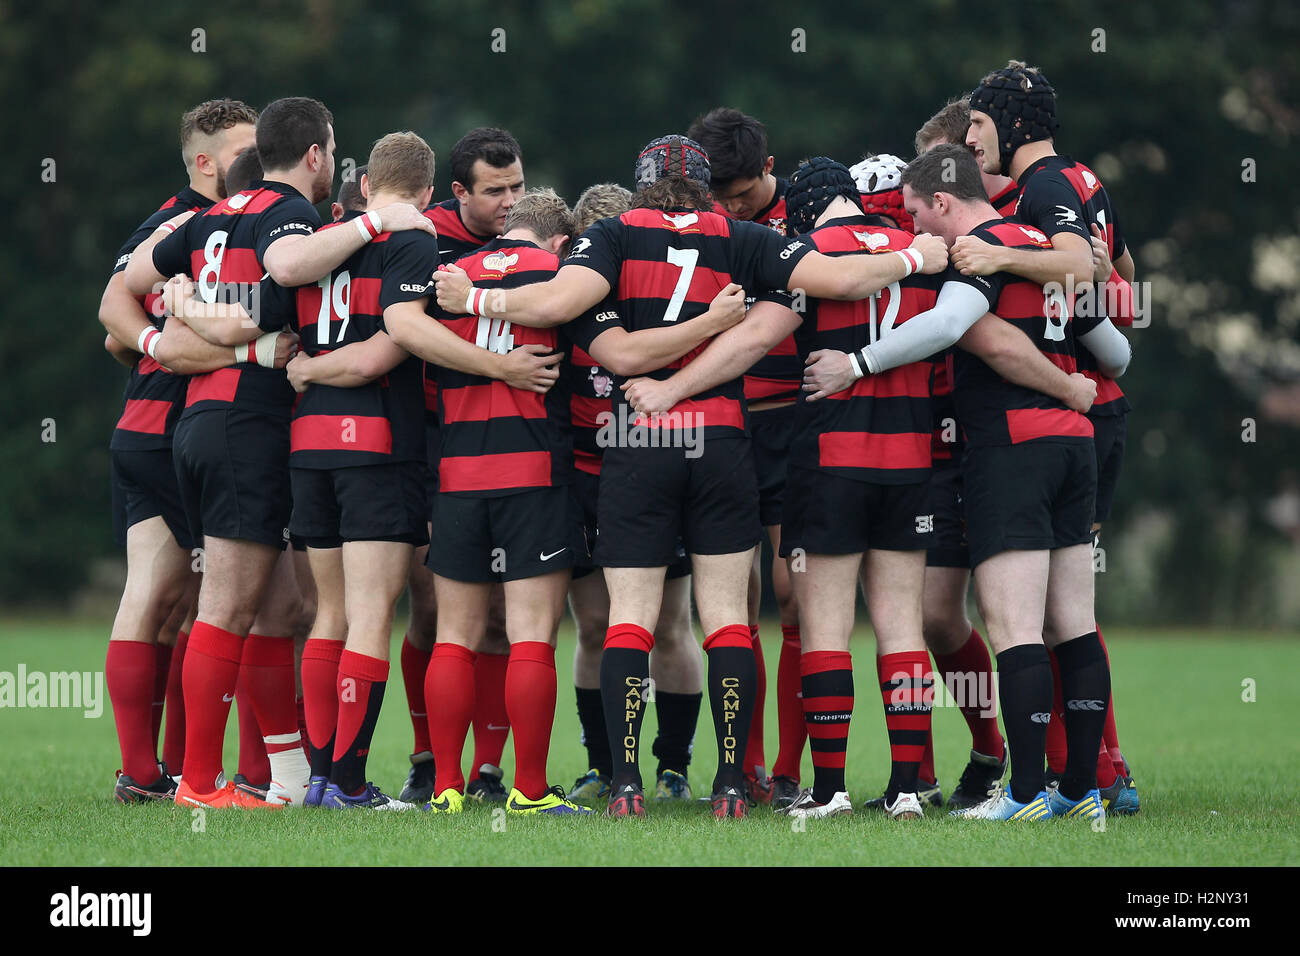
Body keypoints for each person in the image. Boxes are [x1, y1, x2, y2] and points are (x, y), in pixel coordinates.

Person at [431, 133, 948, 818]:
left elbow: (557, 309)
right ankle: (732, 781)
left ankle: (624, 783)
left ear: (641, 183)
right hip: (722, 443)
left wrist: (476, 301)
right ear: (706, 188)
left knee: (630, 622)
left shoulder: (614, 234)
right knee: (728, 621)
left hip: (639, 441)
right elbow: (840, 279)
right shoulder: (741, 236)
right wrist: (916, 255)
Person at [125, 96, 435, 809]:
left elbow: (134, 281)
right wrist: (373, 222)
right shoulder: (290, 213)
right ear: (319, 154)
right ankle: (203, 783)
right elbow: (279, 287)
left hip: (205, 421)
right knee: (234, 610)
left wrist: (180, 303)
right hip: (252, 425)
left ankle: (289, 775)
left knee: (282, 610)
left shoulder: (209, 214)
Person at [808, 144, 1129, 821]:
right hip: (1077, 446)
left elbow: (950, 325)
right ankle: (1078, 791)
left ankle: (1021, 793)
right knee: (1074, 625)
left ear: (943, 203)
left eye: (919, 216)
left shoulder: (976, 250)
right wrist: (1065, 371)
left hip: (1013, 448)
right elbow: (1118, 352)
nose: (918, 231)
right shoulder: (1042, 245)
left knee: (1013, 628)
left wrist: (858, 361)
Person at [964, 61, 1140, 812]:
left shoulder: (1041, 187)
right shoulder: (1089, 180)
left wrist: (998, 255)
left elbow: (1077, 264)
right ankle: (1094, 783)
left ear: (1012, 123)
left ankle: (1035, 788)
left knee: (1020, 622)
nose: (971, 138)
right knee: (1073, 618)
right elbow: (1124, 283)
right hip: (1088, 414)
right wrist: (1092, 283)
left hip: (1048, 413)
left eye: (977, 123)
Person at [99, 98, 261, 802]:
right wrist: (176, 345)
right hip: (171, 431)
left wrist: (153, 341)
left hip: (143, 428)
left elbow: (117, 331)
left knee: (168, 599)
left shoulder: (223, 219)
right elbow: (113, 311)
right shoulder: (181, 221)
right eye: (243, 151)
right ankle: (221, 774)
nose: (257, 163)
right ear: (204, 161)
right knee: (230, 598)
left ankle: (150, 773)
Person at [416, 188, 590, 816]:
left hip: (459, 471)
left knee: (454, 638)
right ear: (559, 240)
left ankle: (444, 789)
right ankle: (530, 790)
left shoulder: (451, 274)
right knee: (530, 639)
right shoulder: (562, 275)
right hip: (533, 471)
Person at [562, 183, 706, 806]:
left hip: (649, 470)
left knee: (668, 627)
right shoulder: (565, 302)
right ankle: (603, 764)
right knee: (596, 626)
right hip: (583, 478)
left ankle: (673, 763)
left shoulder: (661, 307)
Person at [400, 128, 527, 803]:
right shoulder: (425, 238)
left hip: (514, 438)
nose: (510, 201)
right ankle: (428, 761)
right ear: (457, 192)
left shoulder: (528, 241)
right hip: (431, 436)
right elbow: (402, 324)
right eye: (495, 191)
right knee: (432, 609)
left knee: (505, 612)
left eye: (517, 187)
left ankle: (488, 772)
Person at [687, 107, 802, 808]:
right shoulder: (689, 225)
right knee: (736, 601)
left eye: (742, 196)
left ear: (768, 169)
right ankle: (747, 765)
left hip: (792, 423)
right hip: (722, 426)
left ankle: (790, 768)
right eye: (717, 197)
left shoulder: (811, 213)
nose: (730, 211)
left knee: (795, 596)